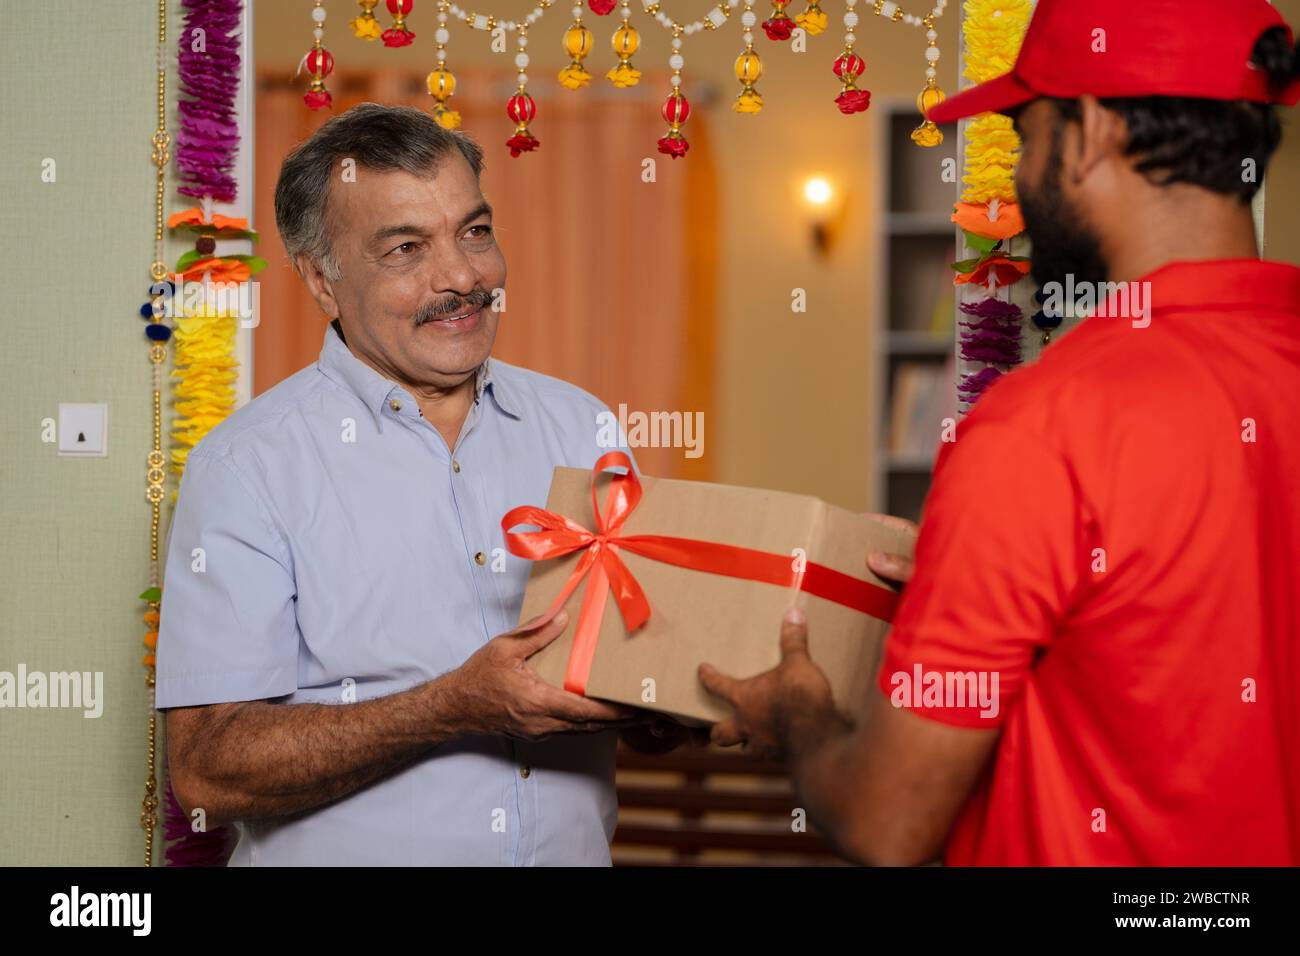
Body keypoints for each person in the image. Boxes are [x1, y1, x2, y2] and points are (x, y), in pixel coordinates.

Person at [700, 0, 1300, 865]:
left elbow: (886, 823)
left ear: (1087, 131)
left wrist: (798, 714)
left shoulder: (1045, 424)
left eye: (1024, 134)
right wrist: (980, 578)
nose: (1016, 177)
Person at [157, 104, 683, 866]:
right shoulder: (247, 468)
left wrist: (682, 698)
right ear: (321, 280)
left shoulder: (582, 426)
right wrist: (446, 708)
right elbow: (206, 771)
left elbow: (641, 697)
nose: (463, 277)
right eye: (407, 248)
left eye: (474, 231)